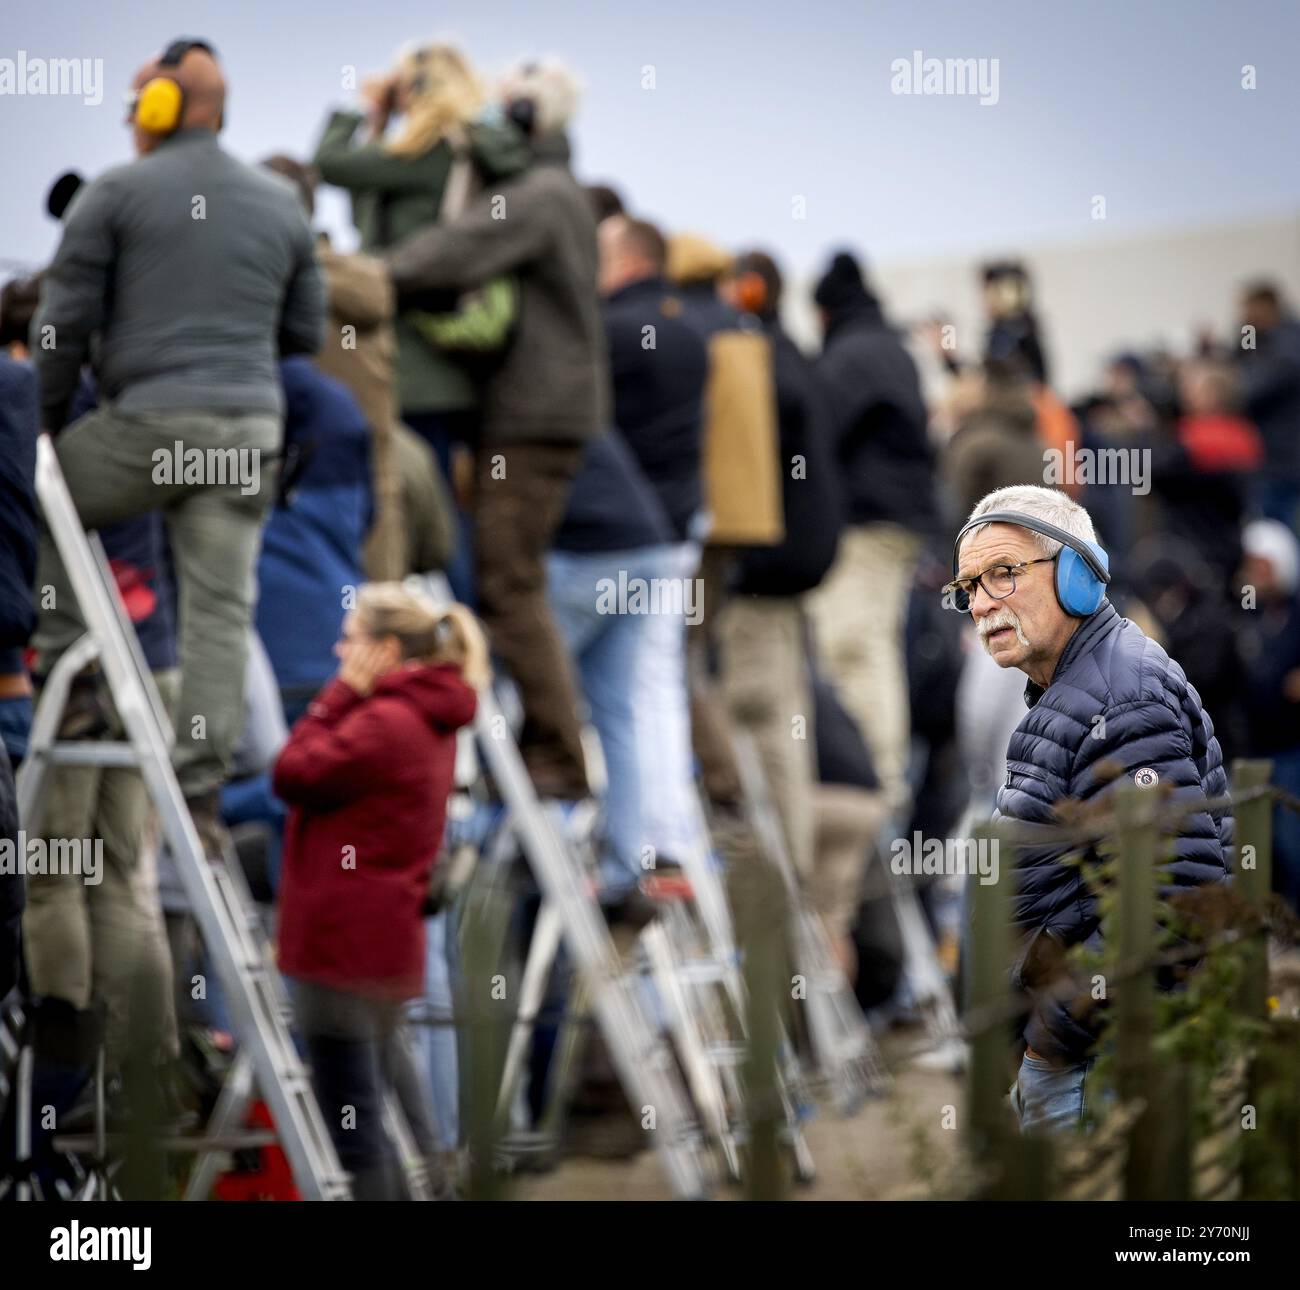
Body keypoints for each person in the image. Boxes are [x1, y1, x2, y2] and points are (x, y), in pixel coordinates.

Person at [30, 38, 324, 855]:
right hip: (246, 434)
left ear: (158, 112)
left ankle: (66, 669)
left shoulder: (116, 193)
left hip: (148, 427)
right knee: (222, 611)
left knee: (35, 503)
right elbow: (302, 331)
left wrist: (45, 433)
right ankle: (198, 790)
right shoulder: (279, 204)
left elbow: (57, 328)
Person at [947, 485, 1231, 1133]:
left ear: (1078, 575)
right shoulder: (1080, 687)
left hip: (1095, 1063)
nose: (982, 602)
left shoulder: (1117, 698)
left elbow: (1169, 896)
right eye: (969, 585)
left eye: (1004, 574)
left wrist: (1052, 1041)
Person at [385, 58, 607, 800]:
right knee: (515, 578)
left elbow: (453, 251)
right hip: (544, 414)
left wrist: (361, 275)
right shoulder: (559, 192)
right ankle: (548, 745)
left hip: (532, 417)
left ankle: (557, 759)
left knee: (509, 582)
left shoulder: (537, 198)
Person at [274, 584, 484, 1199]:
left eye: (351, 638)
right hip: (384, 943)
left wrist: (336, 696)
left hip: (340, 948)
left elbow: (293, 772)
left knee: (353, 1119)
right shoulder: (427, 715)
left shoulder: (382, 720)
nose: (339, 649)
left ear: (385, 650)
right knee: (396, 1096)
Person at [312, 42, 529, 444]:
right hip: (450, 355)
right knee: (436, 487)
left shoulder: (428, 150)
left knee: (415, 488)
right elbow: (367, 203)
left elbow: (330, 163)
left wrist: (360, 106)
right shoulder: (468, 147)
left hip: (412, 361)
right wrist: (379, 124)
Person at [716, 249, 841, 879]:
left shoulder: (759, 360)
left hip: (761, 583)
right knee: (786, 736)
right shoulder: (789, 351)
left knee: (761, 734)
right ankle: (790, 893)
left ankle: (775, 899)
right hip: (790, 575)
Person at [805, 250, 941, 817]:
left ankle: (874, 786)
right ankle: (883, 782)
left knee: (852, 650)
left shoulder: (849, 356)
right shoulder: (892, 348)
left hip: (865, 526)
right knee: (876, 646)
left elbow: (818, 435)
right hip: (901, 524)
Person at [1237, 282, 1300, 530]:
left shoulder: (1285, 347)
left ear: (1266, 306)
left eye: (1248, 308)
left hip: (1281, 458)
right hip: (1276, 456)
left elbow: (1250, 390)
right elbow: (1241, 358)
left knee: (1278, 532)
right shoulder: (1267, 341)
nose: (1244, 316)